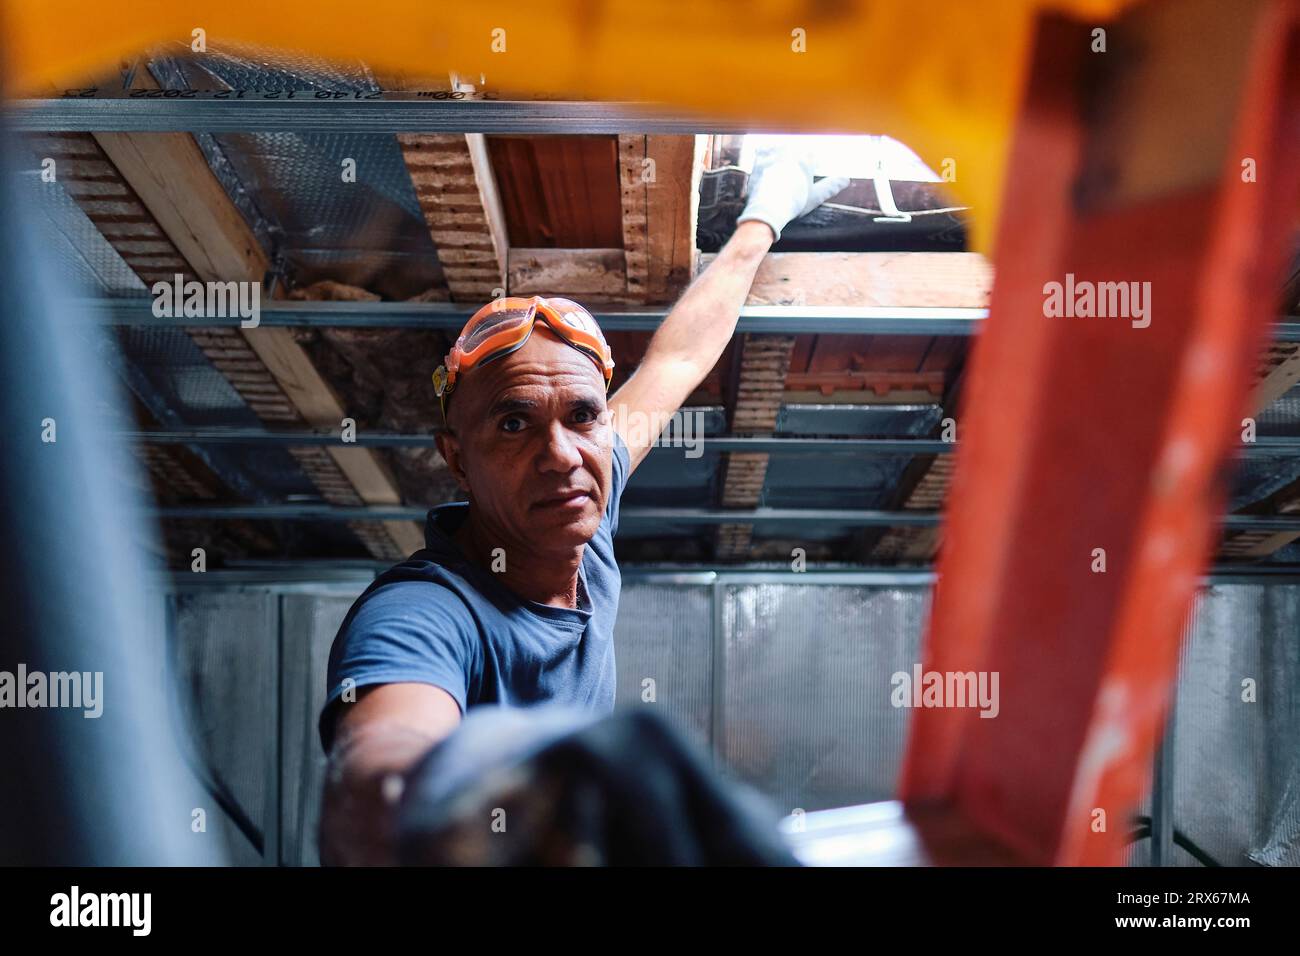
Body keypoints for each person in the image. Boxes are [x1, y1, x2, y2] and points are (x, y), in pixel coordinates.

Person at [318, 146, 848, 865]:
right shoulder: (424, 611)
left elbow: (678, 359)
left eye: (581, 416)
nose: (561, 453)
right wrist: (496, 779)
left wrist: (763, 217)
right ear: (456, 459)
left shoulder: (579, 511)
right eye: (513, 424)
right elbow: (376, 776)